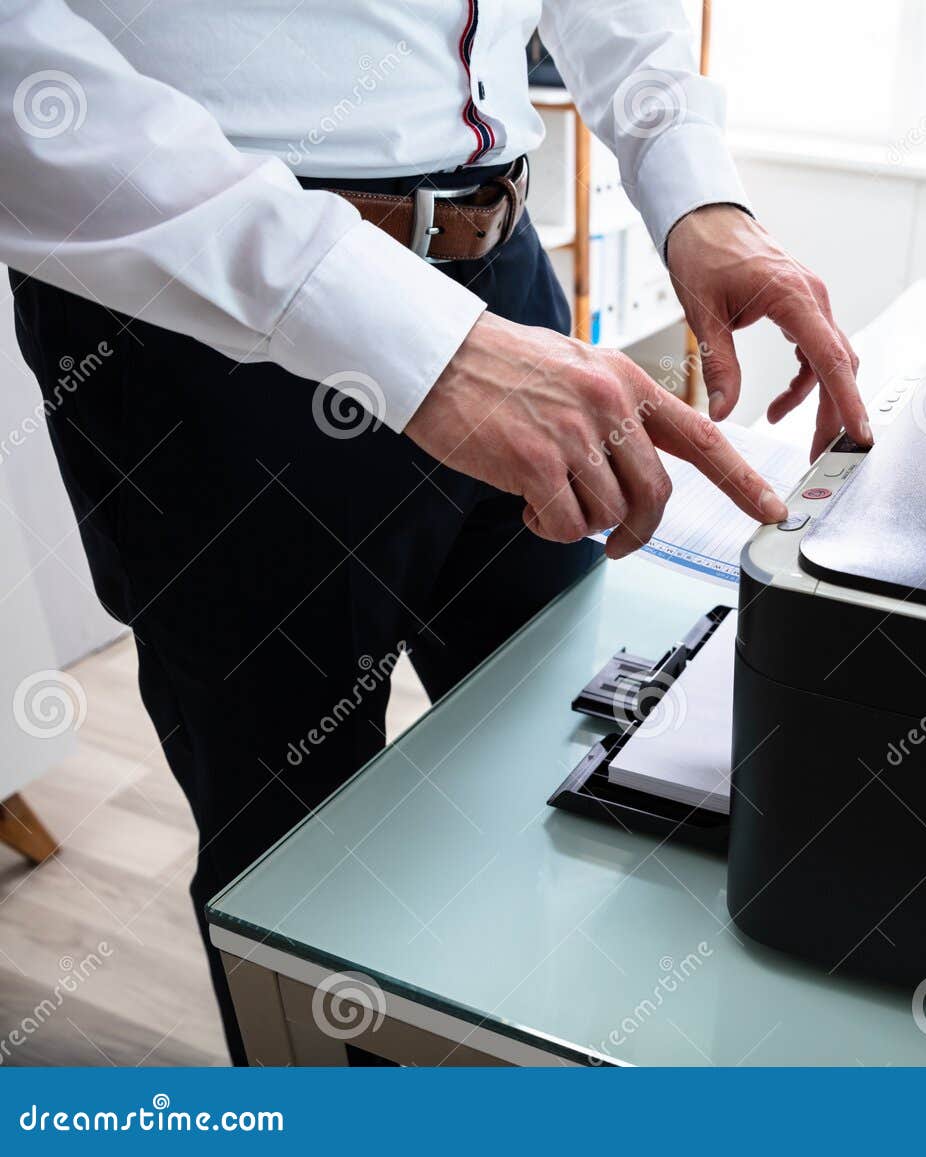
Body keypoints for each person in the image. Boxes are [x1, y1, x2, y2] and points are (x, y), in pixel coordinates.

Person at [0, 0, 870, 1065]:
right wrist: (422, 345)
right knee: (294, 841)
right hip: (213, 313)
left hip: (501, 269)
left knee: (576, 747)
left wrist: (693, 186)